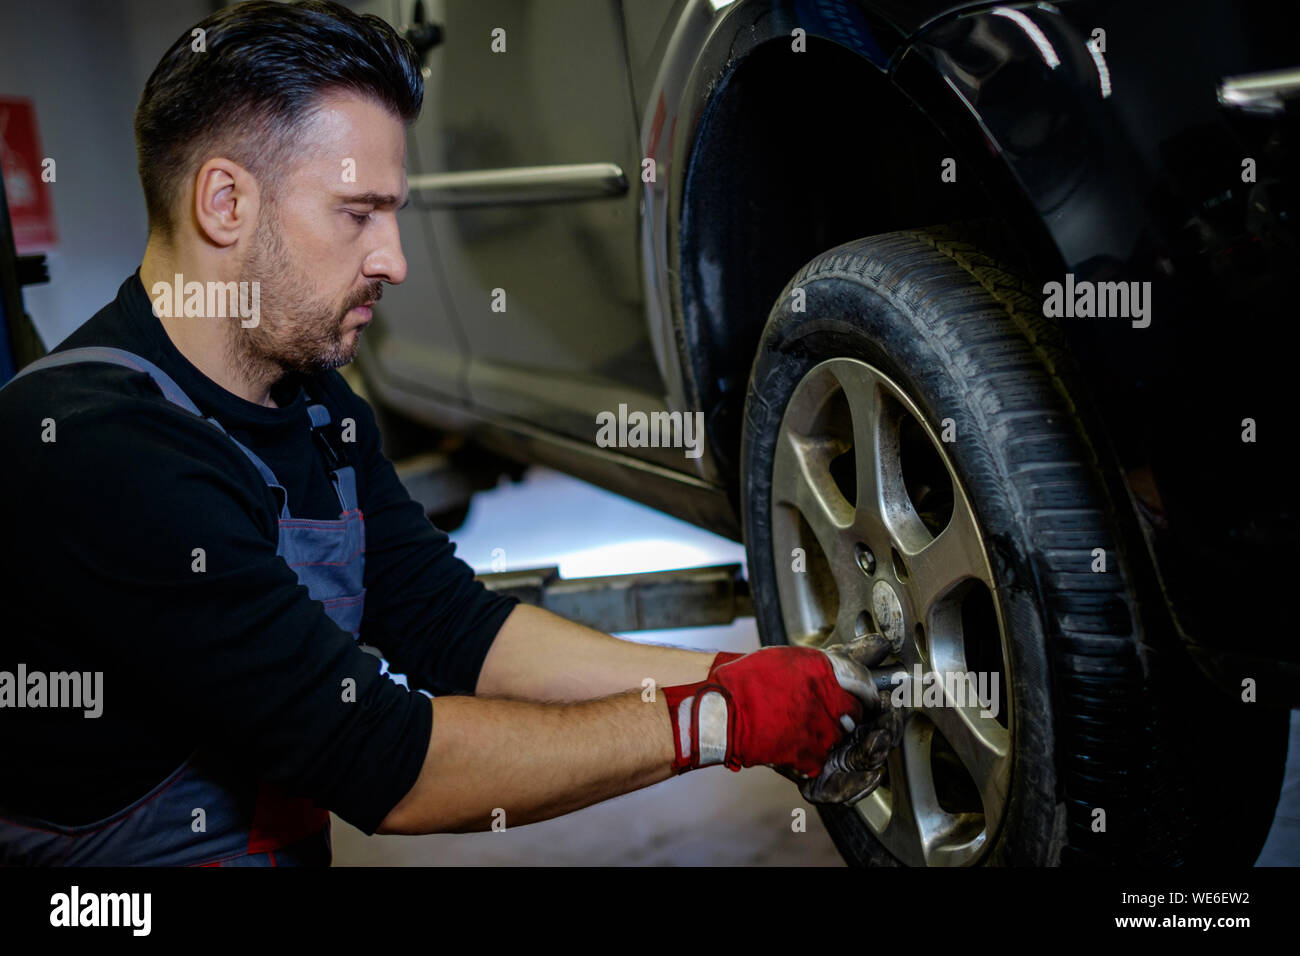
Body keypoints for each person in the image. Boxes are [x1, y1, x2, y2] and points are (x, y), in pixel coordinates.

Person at [0, 0, 896, 867]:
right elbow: (388, 766)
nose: (393, 259)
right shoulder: (99, 449)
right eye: (357, 213)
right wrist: (715, 724)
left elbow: (455, 627)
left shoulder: (316, 408)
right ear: (225, 203)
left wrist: (734, 677)